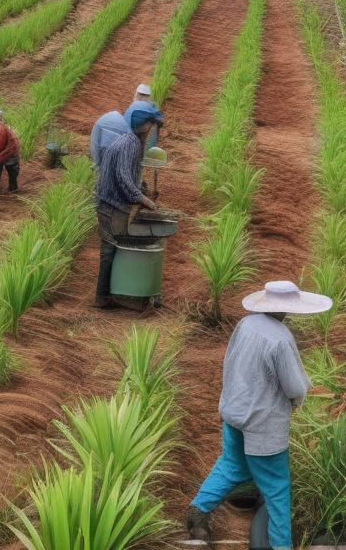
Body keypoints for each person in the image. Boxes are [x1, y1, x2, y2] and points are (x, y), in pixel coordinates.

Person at [187, 281, 328, 548]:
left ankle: (198, 513)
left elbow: (231, 362)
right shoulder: (281, 337)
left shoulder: (246, 324)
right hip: (263, 426)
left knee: (232, 465)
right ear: (289, 309)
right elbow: (294, 387)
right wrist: (297, 403)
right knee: (276, 489)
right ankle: (280, 546)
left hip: (234, 413)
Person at [93, 106, 163, 308]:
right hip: (111, 205)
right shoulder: (130, 144)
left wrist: (140, 188)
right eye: (151, 125)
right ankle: (105, 296)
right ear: (144, 126)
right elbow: (124, 179)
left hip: (113, 203)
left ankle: (110, 294)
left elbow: (126, 176)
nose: (152, 130)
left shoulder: (129, 141)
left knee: (112, 248)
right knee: (110, 249)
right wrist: (144, 200)